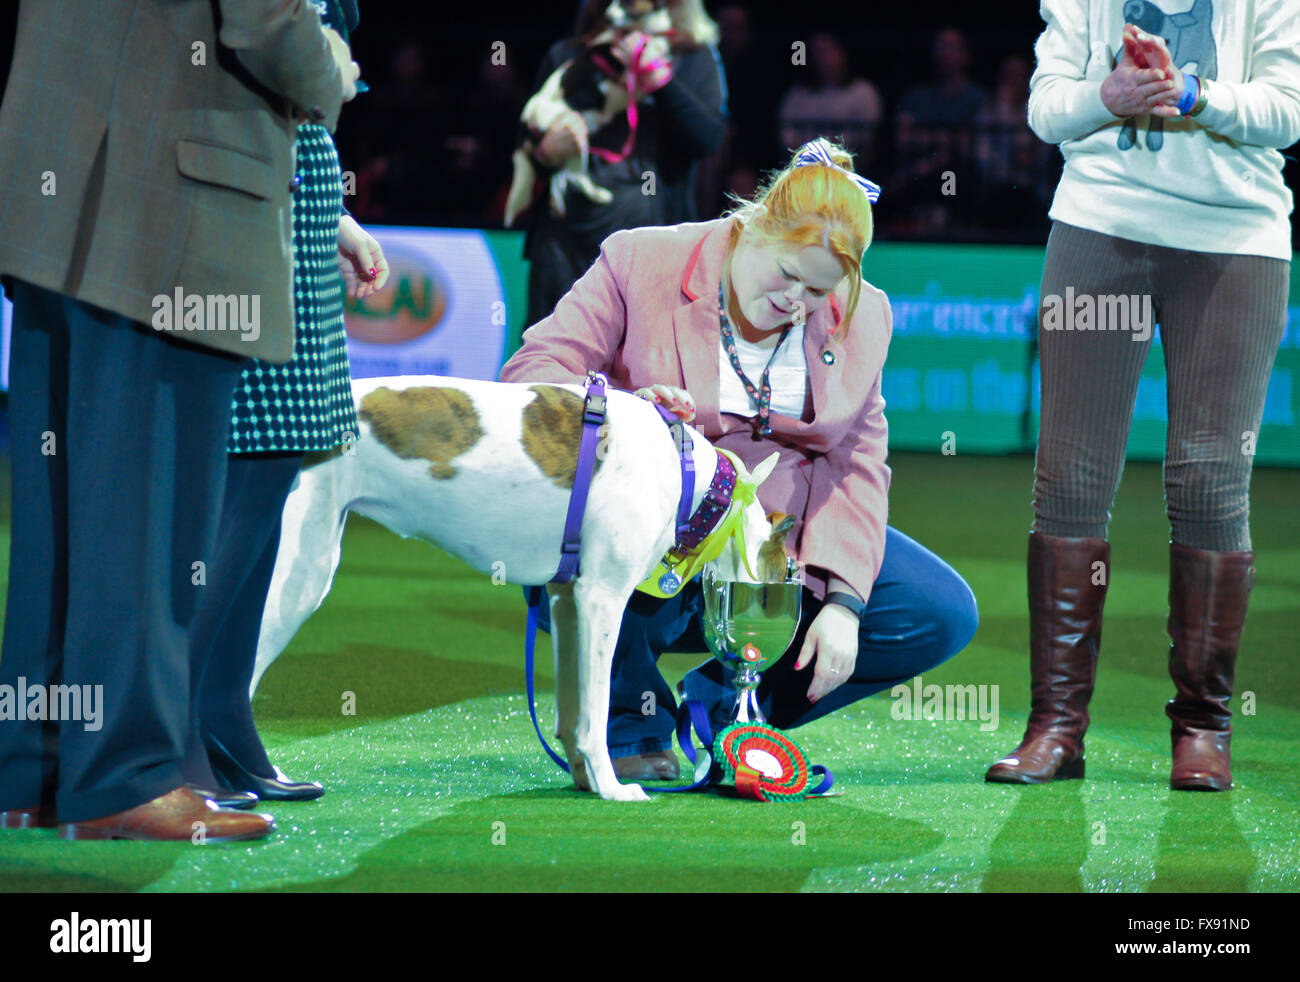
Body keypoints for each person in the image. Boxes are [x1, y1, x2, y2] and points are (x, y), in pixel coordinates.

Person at [501, 139, 978, 780]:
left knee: (938, 612)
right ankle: (629, 723)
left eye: (819, 290)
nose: (798, 302)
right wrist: (628, 413)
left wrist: (844, 606)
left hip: (780, 543)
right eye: (787, 274)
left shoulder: (864, 316)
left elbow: (860, 465)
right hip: (655, 525)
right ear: (754, 223)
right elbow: (532, 375)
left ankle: (733, 708)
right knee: (576, 526)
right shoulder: (640, 259)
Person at [0, 0, 354, 840]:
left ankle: (36, 771)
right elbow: (264, 21)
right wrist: (328, 66)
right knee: (146, 517)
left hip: (68, 188)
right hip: (171, 202)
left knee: (65, 516)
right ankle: (122, 778)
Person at [986, 4, 1300, 791]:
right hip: (1099, 224)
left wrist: (1194, 94)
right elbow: (1046, 106)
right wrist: (1110, 94)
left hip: (1236, 241)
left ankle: (1203, 729)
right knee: (1071, 479)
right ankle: (1056, 728)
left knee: (1209, 482)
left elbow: (1288, 113)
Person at [182, 0, 391, 806]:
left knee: (272, 473)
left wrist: (333, 216)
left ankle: (223, 718)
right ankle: (177, 730)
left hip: (294, 193)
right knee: (248, 479)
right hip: (246, 207)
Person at [521, 0, 727, 326]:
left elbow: (709, 140)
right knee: (553, 364)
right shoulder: (568, 54)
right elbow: (526, 154)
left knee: (642, 369)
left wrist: (661, 81)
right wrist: (546, 151)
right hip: (565, 245)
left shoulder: (692, 57)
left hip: (652, 249)